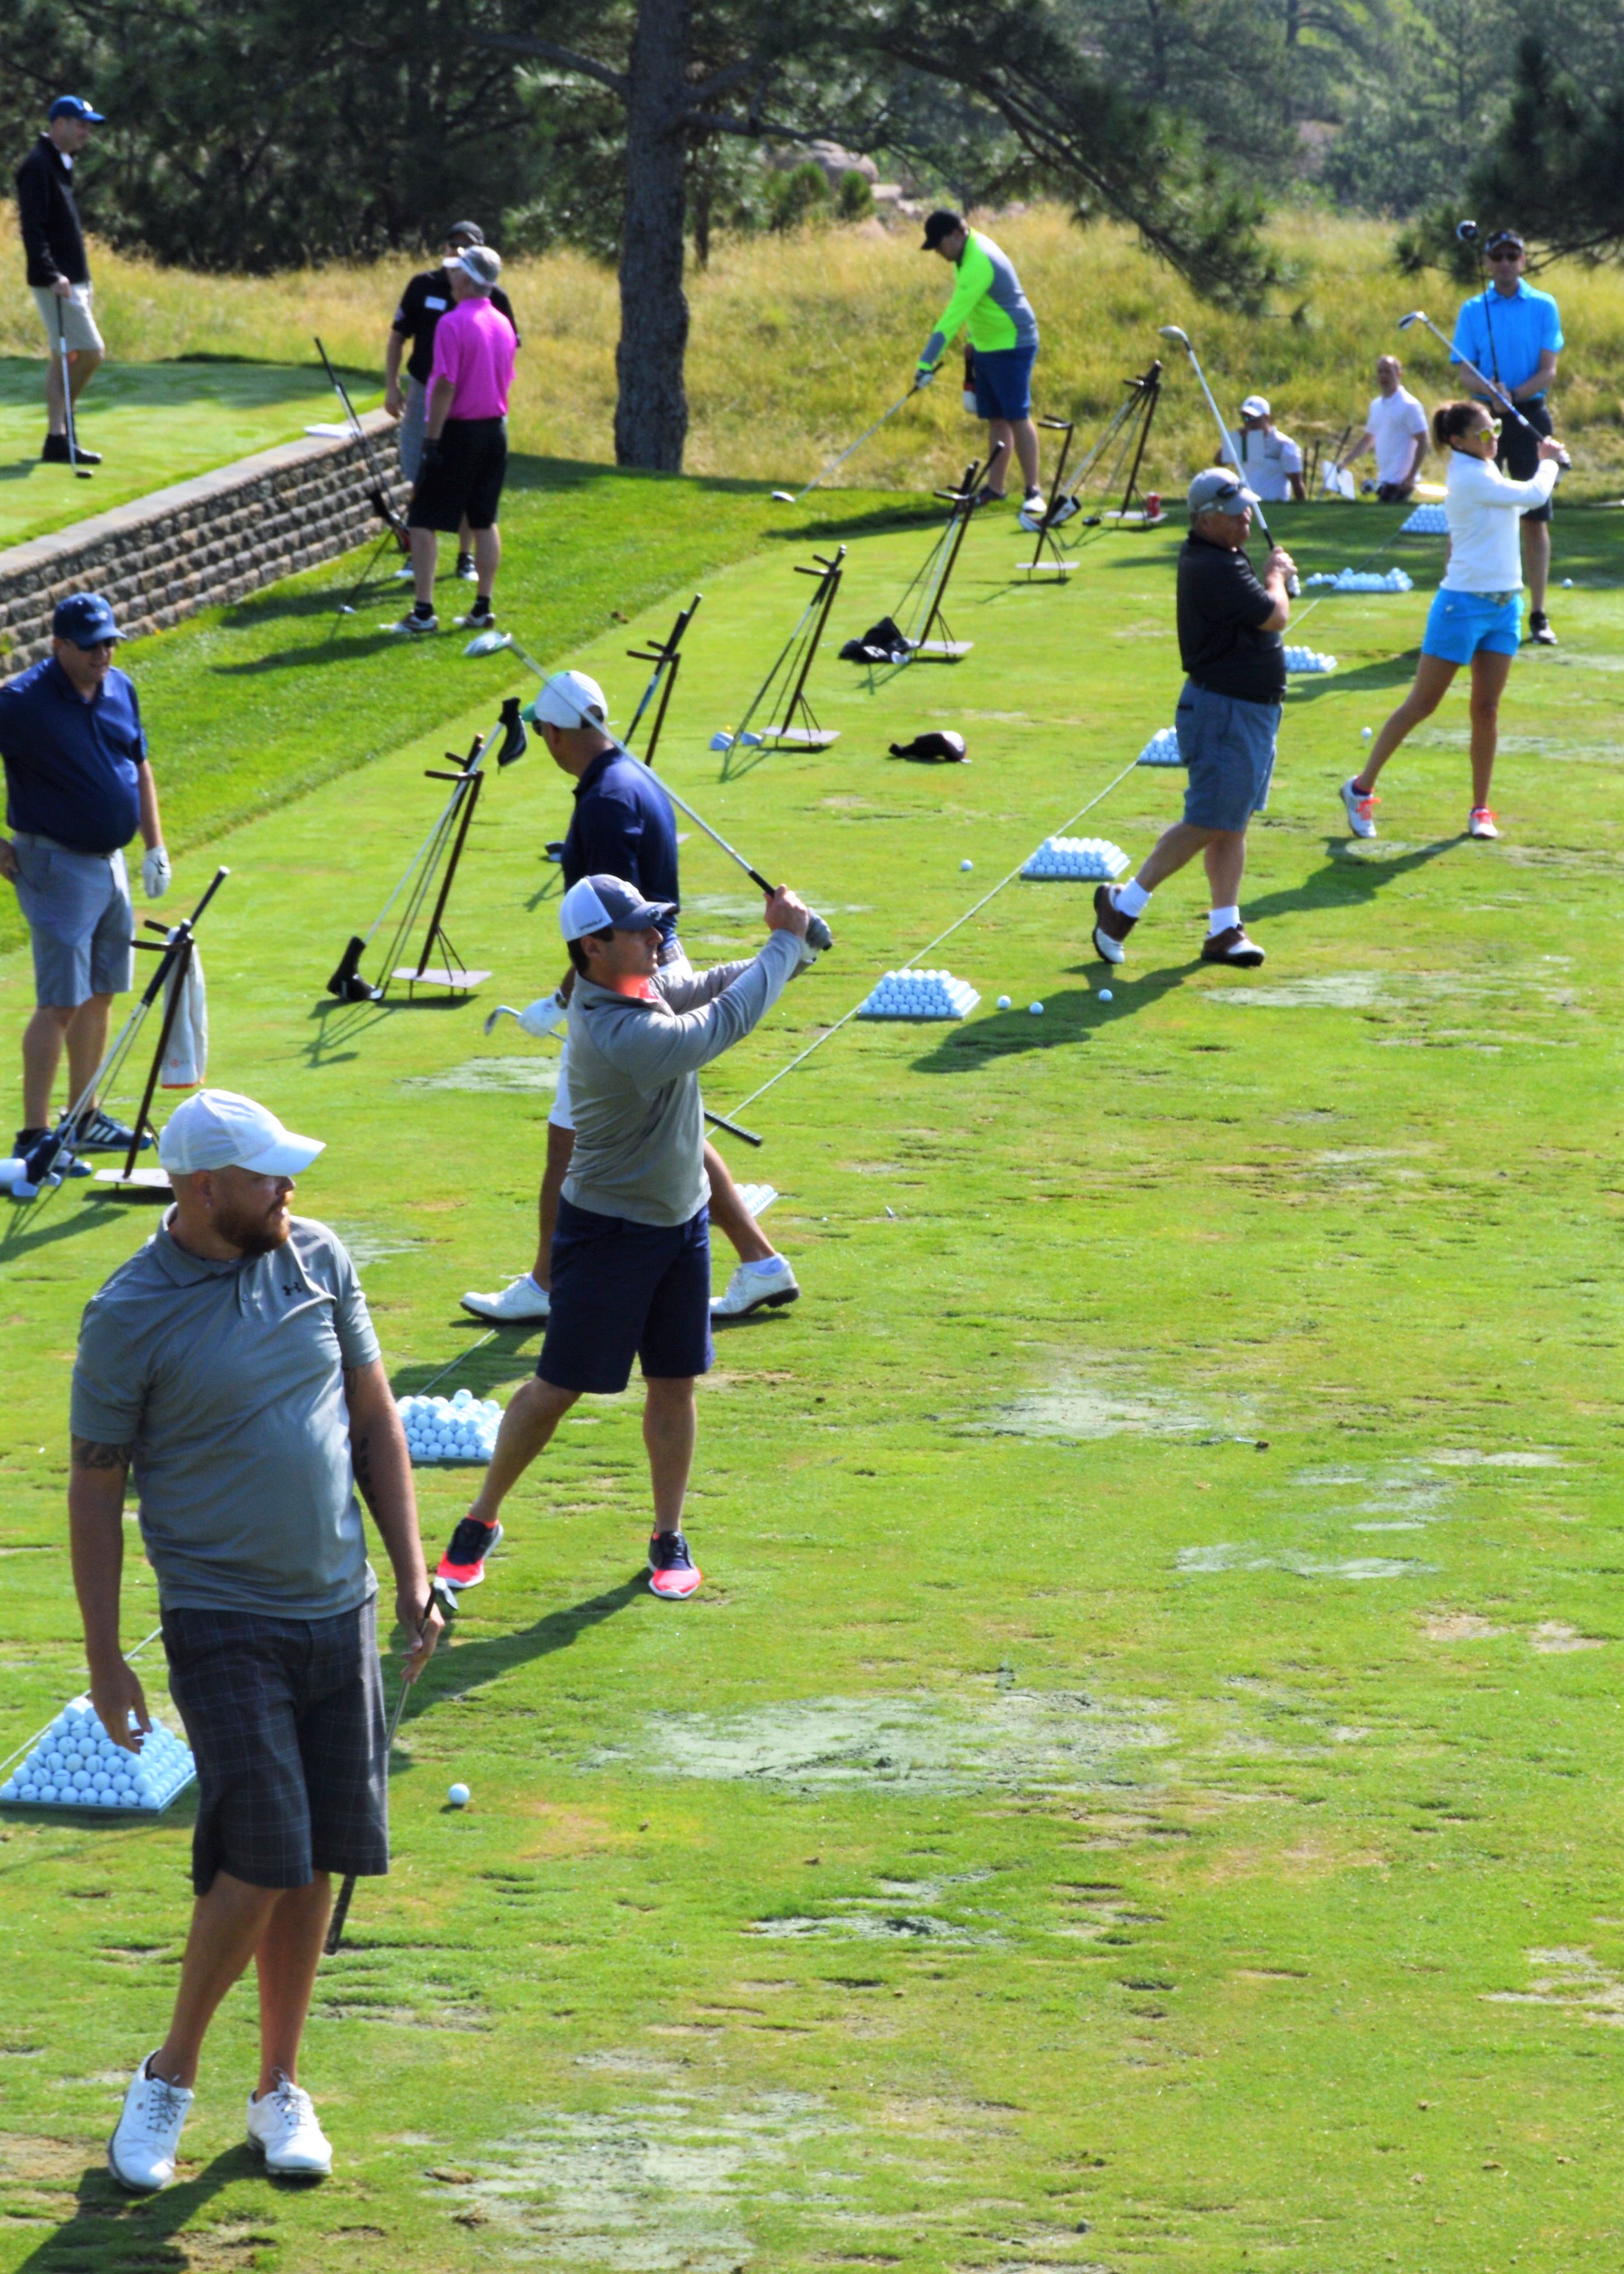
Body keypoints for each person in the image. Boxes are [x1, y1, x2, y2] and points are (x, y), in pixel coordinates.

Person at [72, 1090, 444, 2193]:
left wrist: (416, 1575)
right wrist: (105, 1657)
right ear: (201, 1191)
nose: (291, 1188)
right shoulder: (127, 1311)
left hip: (342, 1605)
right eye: (268, 1174)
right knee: (266, 1852)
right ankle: (169, 2078)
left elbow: (375, 1422)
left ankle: (280, 2086)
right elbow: (95, 1489)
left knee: (318, 1849)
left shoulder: (319, 1256)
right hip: (221, 1615)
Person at [438, 874, 815, 1602]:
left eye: (653, 925)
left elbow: (709, 983)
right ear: (592, 946)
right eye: (640, 929)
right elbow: (717, 1025)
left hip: (680, 1223)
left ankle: (666, 1533)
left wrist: (788, 954)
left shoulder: (641, 987)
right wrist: (782, 945)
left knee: (675, 1384)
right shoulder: (614, 1028)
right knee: (557, 1387)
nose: (655, 936)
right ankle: (481, 1517)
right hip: (609, 1234)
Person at [461, 670, 800, 1330]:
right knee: (669, 1129)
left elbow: (604, 931)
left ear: (557, 732)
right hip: (647, 965)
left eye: (540, 729)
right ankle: (760, 1262)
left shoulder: (604, 804)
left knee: (570, 1137)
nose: (542, 739)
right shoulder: (632, 777)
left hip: (635, 978)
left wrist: (566, 999)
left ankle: (545, 1283)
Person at [1093, 469, 1296, 972]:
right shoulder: (1213, 566)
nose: (1245, 515)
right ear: (1206, 519)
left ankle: (1224, 929)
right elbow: (1275, 615)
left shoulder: (1224, 554)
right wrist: (1276, 576)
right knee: (1209, 818)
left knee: (1231, 823)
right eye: (1234, 511)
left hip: (1248, 709)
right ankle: (1123, 908)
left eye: (1247, 507)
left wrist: (1269, 575)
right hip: (1224, 709)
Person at [1338, 399, 1563, 845]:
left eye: (1495, 427)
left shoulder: (1486, 467)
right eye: (1483, 432)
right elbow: (1533, 495)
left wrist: (1540, 465)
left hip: (1504, 607)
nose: (1493, 436)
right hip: (1461, 606)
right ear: (1458, 441)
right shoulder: (1470, 475)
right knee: (1422, 704)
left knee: (1487, 708)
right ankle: (1360, 788)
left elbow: (1516, 499)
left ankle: (1481, 809)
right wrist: (1549, 463)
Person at [0, 591, 171, 1158]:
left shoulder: (121, 687)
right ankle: (33, 1136)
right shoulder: (21, 701)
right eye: (93, 645)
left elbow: (139, 766)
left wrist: (155, 845)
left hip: (111, 864)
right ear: (60, 646)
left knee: (102, 991)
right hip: (54, 864)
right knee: (60, 1001)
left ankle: (83, 1117)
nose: (105, 653)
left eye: (111, 642)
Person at [385, 222, 520, 584]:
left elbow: (445, 384)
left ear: (467, 276)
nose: (456, 257)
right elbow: (399, 336)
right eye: (453, 247)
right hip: (489, 421)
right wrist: (392, 386)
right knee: (478, 511)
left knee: (433, 510)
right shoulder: (426, 288)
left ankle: (427, 605)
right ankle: (482, 606)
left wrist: (433, 438)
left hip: (458, 418)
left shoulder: (456, 321)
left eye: (465, 251)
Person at [1450, 228, 1563, 644]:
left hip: (1529, 413)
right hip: (1484, 419)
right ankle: (1459, 603)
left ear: (1524, 260)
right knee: (1473, 511)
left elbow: (1549, 369)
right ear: (1487, 262)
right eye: (1497, 256)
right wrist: (1488, 391)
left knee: (1534, 518)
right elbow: (1464, 369)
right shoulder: (1473, 308)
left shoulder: (1543, 305)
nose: (1504, 262)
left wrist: (1513, 394)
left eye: (1512, 255)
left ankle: (1537, 613)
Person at [915, 210, 1043, 515]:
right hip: (987, 345)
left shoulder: (978, 259)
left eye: (940, 244)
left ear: (958, 234)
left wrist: (926, 361)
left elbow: (953, 316)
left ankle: (1033, 491)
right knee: (995, 418)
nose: (939, 252)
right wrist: (974, 339)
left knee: (1016, 416)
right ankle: (995, 489)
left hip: (1013, 343)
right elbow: (979, 305)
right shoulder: (963, 255)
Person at [16, 95, 106, 467]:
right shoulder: (37, 165)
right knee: (91, 352)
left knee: (62, 358)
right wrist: (52, 272)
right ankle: (65, 424)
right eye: (80, 124)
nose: (87, 132)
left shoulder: (60, 163)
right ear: (59, 125)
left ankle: (57, 440)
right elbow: (32, 228)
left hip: (74, 279)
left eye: (88, 125)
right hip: (56, 282)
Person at [1335, 355, 1428, 501]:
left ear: (1399, 375)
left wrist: (1411, 477)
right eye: (1380, 372)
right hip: (1385, 480)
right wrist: (1345, 462)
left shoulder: (1409, 405)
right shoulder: (1376, 405)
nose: (1383, 376)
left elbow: (1423, 441)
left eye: (1388, 372)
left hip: (1403, 483)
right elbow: (1368, 439)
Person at [1218, 396, 1305, 503]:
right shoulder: (1245, 440)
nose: (1250, 423)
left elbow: (1296, 482)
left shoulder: (1283, 444)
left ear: (1267, 418)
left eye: (1254, 419)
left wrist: (1302, 505)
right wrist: (1234, 441)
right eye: (1246, 419)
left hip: (1274, 505)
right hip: (1247, 503)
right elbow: (1219, 461)